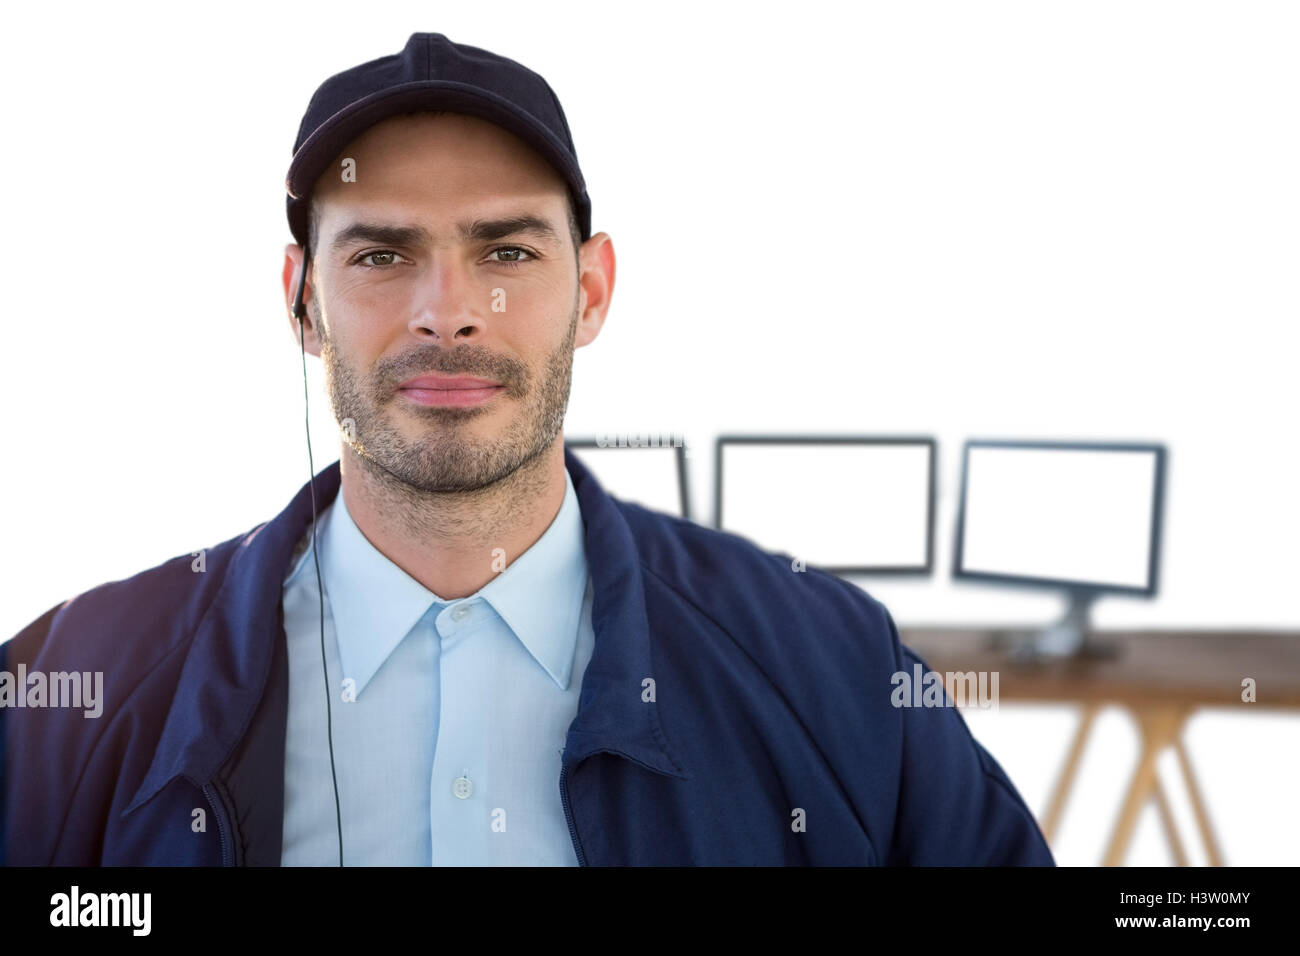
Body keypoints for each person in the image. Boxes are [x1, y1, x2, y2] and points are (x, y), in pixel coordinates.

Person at [0, 32, 1053, 866]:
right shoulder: (70, 690)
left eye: (505, 248)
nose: (447, 313)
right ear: (302, 300)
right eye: (380, 253)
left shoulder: (832, 673)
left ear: (590, 290)